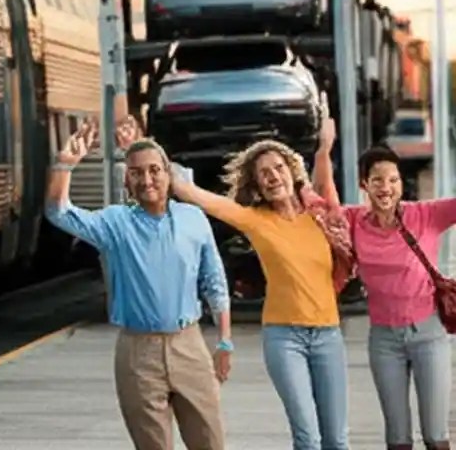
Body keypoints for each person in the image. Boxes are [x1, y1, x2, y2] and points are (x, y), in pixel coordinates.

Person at [165, 119, 354, 450]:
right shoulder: (256, 221)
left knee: (336, 440)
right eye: (263, 173)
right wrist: (148, 156)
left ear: (292, 171)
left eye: (278, 167)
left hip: (328, 336)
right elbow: (197, 196)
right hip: (285, 339)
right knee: (307, 438)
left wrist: (324, 147)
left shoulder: (320, 215)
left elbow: (326, 183)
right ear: (257, 186)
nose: (272, 176)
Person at [45, 117, 232, 450]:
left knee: (210, 442)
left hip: (189, 345)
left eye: (154, 170)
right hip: (137, 352)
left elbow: (214, 280)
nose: (146, 179)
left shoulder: (193, 219)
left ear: (168, 174)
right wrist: (65, 164)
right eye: (136, 173)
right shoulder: (114, 223)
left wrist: (225, 341)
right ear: (127, 180)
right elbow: (59, 212)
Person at [317, 139, 456, 450]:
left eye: (393, 179)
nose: (386, 187)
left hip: (429, 335)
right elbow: (320, 200)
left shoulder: (425, 215)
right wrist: (323, 151)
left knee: (435, 433)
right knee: (397, 436)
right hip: (383, 339)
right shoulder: (353, 221)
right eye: (377, 180)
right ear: (364, 184)